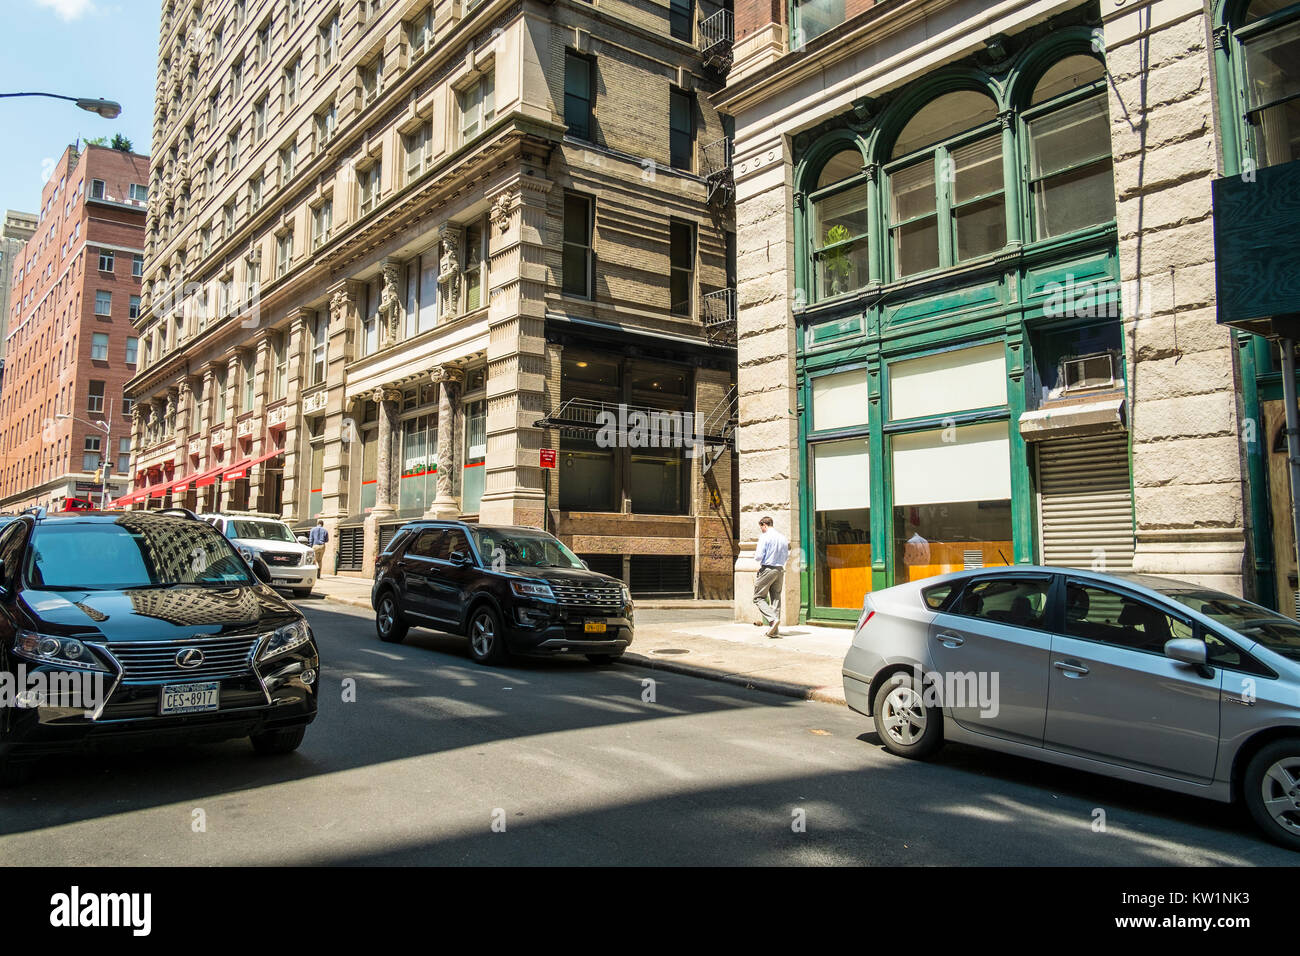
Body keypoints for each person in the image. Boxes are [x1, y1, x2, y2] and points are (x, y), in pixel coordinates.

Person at [752, 516, 790, 638]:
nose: (761, 530)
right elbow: (786, 556)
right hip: (780, 569)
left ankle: (772, 620)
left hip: (768, 568)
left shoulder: (765, 536)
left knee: (758, 597)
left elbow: (758, 556)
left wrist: (757, 557)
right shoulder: (783, 538)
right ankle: (774, 631)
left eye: (761, 527)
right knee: (776, 598)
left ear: (764, 525)